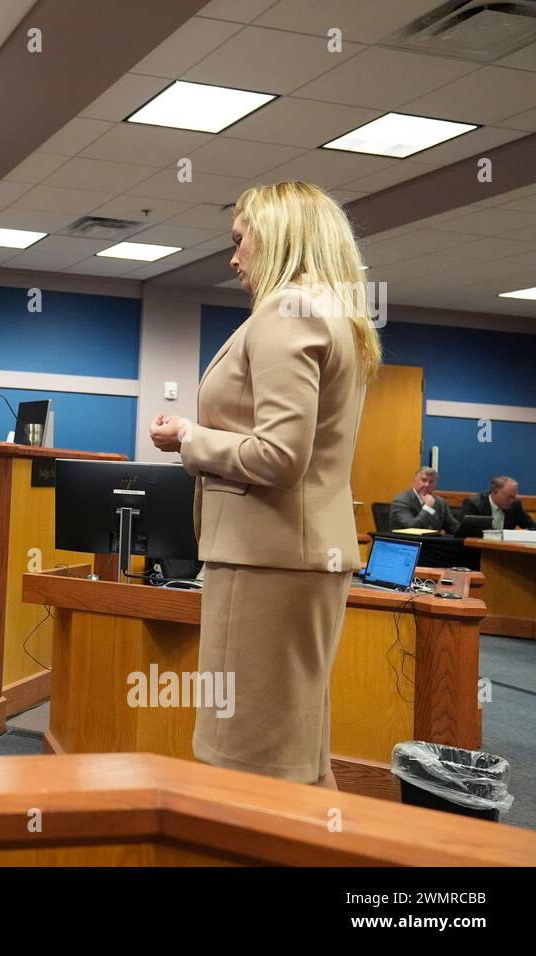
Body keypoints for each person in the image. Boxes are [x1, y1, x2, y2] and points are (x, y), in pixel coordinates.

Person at [149, 181, 381, 790]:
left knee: (248, 758)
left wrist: (190, 440)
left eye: (240, 239)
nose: (233, 258)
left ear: (278, 234)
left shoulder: (284, 312)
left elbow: (279, 457)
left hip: (266, 558)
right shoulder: (334, 312)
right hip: (301, 555)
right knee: (296, 755)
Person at [390, 466, 460, 534]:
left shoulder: (440, 502)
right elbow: (412, 529)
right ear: (414, 480)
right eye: (423, 480)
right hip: (410, 543)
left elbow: (453, 528)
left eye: (431, 482)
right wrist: (428, 507)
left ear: (435, 484)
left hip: (433, 543)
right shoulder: (401, 501)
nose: (427, 485)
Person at [462, 476, 536, 530]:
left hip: (506, 549)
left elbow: (532, 527)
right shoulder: (474, 504)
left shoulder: (515, 505)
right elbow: (466, 533)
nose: (511, 501)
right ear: (494, 492)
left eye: (513, 497)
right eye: (508, 497)